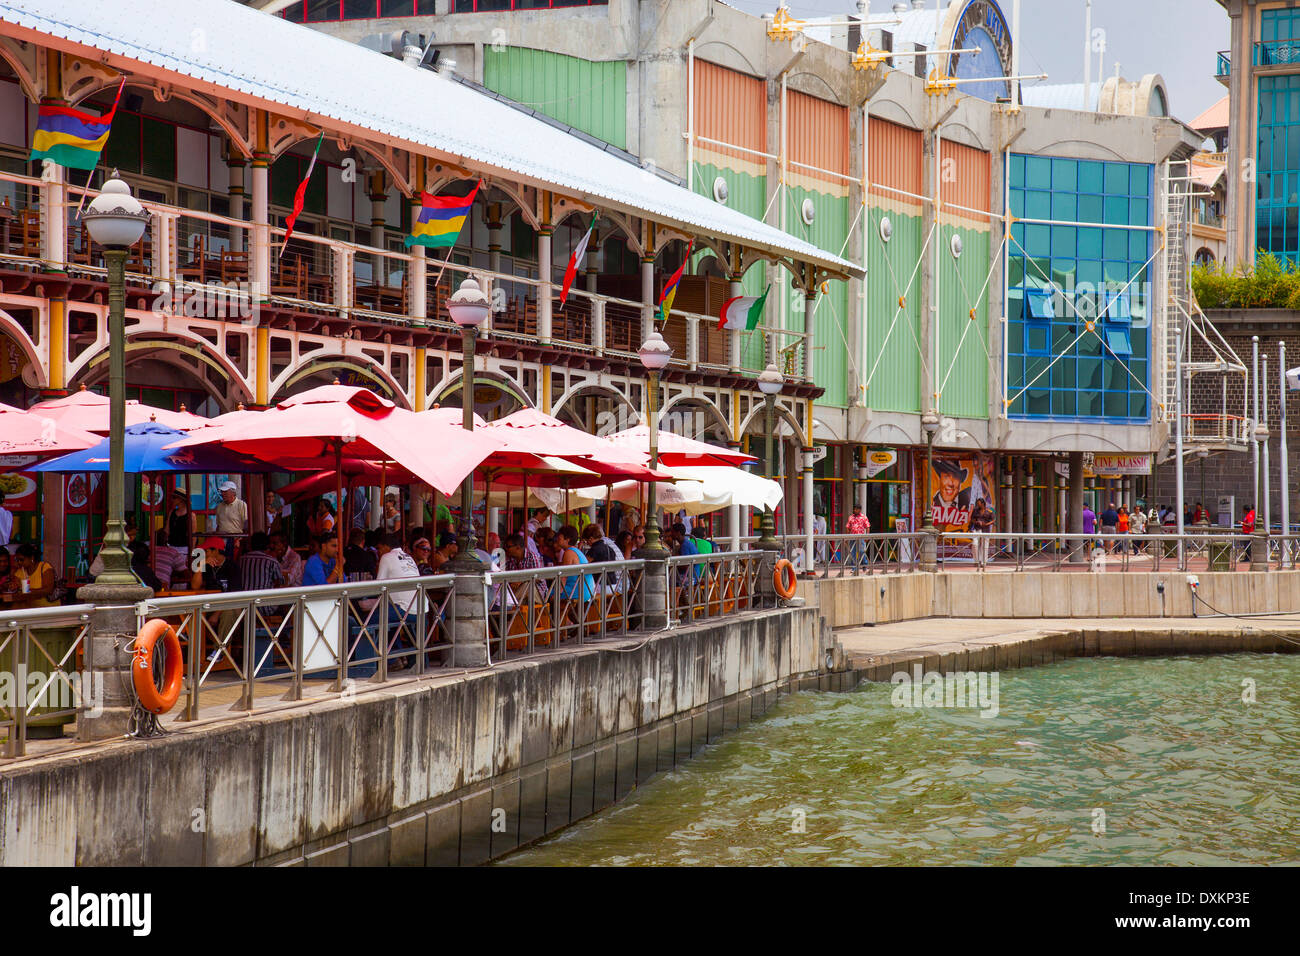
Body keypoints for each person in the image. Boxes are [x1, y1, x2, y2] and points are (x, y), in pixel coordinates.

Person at [555, 524, 595, 603]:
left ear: (567, 540)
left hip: (577, 591)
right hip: (586, 590)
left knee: (547, 595)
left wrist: (557, 594)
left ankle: (555, 615)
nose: (557, 539)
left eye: (560, 538)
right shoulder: (576, 551)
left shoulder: (569, 552)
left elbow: (564, 577)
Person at [970, 497, 995, 566]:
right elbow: (972, 519)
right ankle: (976, 561)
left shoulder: (989, 511)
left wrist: (986, 524)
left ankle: (984, 562)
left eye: (979, 504)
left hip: (986, 529)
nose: (978, 505)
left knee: (985, 546)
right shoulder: (975, 510)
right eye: (977, 503)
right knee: (975, 544)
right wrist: (976, 522)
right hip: (977, 528)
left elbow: (993, 520)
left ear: (983, 503)